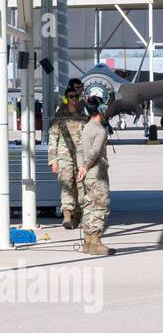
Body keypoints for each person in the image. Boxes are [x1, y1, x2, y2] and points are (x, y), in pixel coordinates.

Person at [47, 78, 88, 230]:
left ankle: (78, 214)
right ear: (67, 97)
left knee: (80, 186)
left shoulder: (83, 114)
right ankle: (66, 214)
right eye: (71, 96)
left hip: (80, 156)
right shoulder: (60, 115)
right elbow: (53, 137)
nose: (75, 98)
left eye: (76, 96)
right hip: (64, 155)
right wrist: (53, 160)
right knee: (66, 184)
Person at [76, 95, 114, 257]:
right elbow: (94, 152)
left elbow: (80, 150)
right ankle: (96, 242)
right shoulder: (99, 130)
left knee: (89, 206)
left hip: (86, 174)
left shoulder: (86, 128)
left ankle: (87, 242)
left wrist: (81, 168)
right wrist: (86, 166)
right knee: (100, 206)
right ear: (100, 110)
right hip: (97, 172)